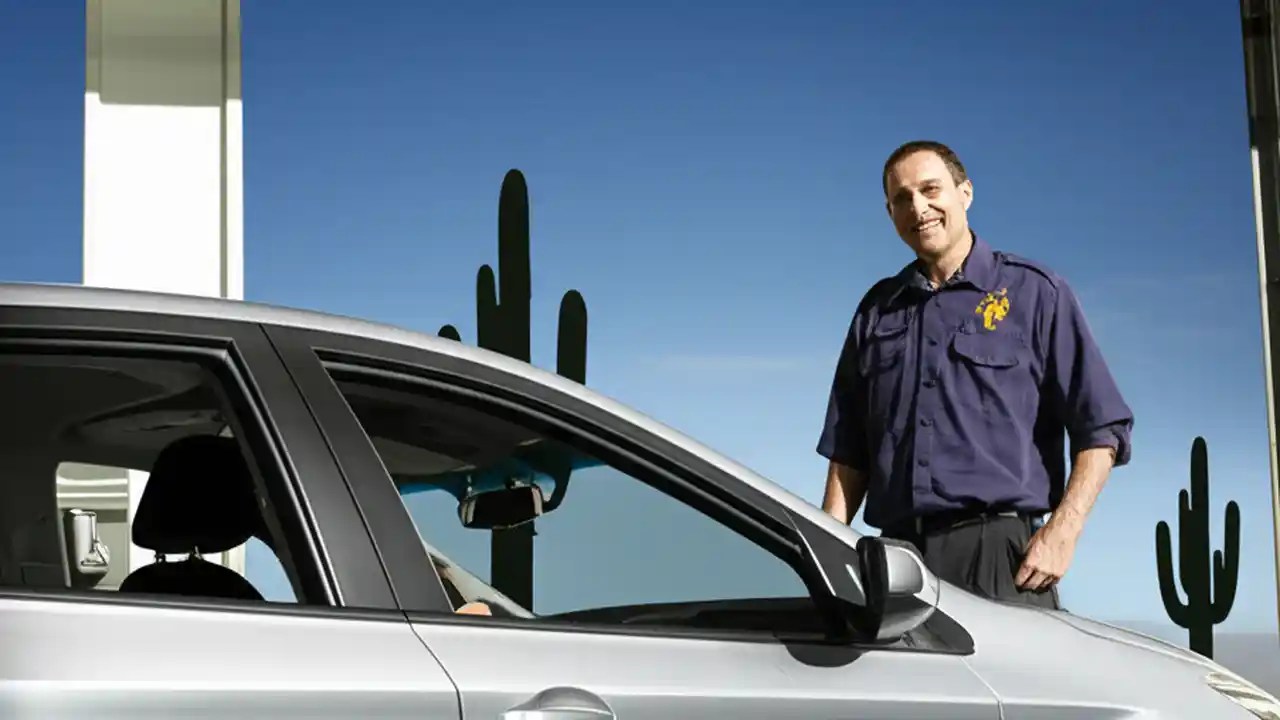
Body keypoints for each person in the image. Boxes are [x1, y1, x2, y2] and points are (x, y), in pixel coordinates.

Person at [816, 140, 1133, 608]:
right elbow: (849, 453)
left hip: (1000, 560)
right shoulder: (876, 311)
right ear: (890, 214)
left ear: (965, 192)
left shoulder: (1035, 293)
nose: (918, 207)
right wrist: (828, 549)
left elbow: (1102, 429)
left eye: (930, 189)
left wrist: (1064, 530)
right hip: (895, 563)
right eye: (902, 199)